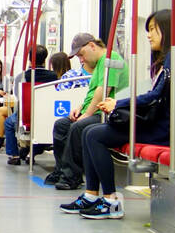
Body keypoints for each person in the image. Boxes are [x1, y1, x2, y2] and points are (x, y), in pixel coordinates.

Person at [62, 10, 172, 219]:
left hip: (159, 128)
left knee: (93, 134)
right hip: (153, 122)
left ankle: (111, 199)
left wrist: (117, 104)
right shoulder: (164, 60)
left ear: (166, 29)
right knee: (89, 132)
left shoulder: (171, 59)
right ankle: (92, 194)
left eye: (152, 30)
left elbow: (155, 96)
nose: (148, 35)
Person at [45, 34, 129, 190]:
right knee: (61, 125)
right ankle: (61, 170)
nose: (81, 60)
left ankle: (72, 177)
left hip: (109, 113)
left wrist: (86, 114)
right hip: (96, 109)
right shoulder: (99, 65)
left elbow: (103, 91)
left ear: (92, 45)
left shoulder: (112, 59)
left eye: (81, 55)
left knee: (78, 128)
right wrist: (80, 107)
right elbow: (92, 93)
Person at [4, 47, 60, 164]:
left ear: (29, 59)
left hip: (26, 115)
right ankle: (31, 152)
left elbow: (18, 96)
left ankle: (14, 155)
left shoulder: (22, 77)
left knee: (9, 122)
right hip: (47, 114)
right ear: (45, 60)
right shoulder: (53, 77)